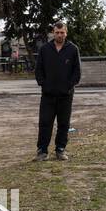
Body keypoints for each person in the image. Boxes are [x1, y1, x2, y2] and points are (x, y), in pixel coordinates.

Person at [33, 21, 81, 161]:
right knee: (45, 123)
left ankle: (60, 149)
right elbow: (38, 70)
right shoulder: (45, 49)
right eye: (57, 32)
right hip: (48, 95)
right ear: (53, 33)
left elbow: (77, 72)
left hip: (65, 95)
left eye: (62, 32)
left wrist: (69, 87)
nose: (59, 35)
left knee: (63, 123)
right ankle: (42, 151)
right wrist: (44, 84)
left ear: (66, 33)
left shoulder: (73, 49)